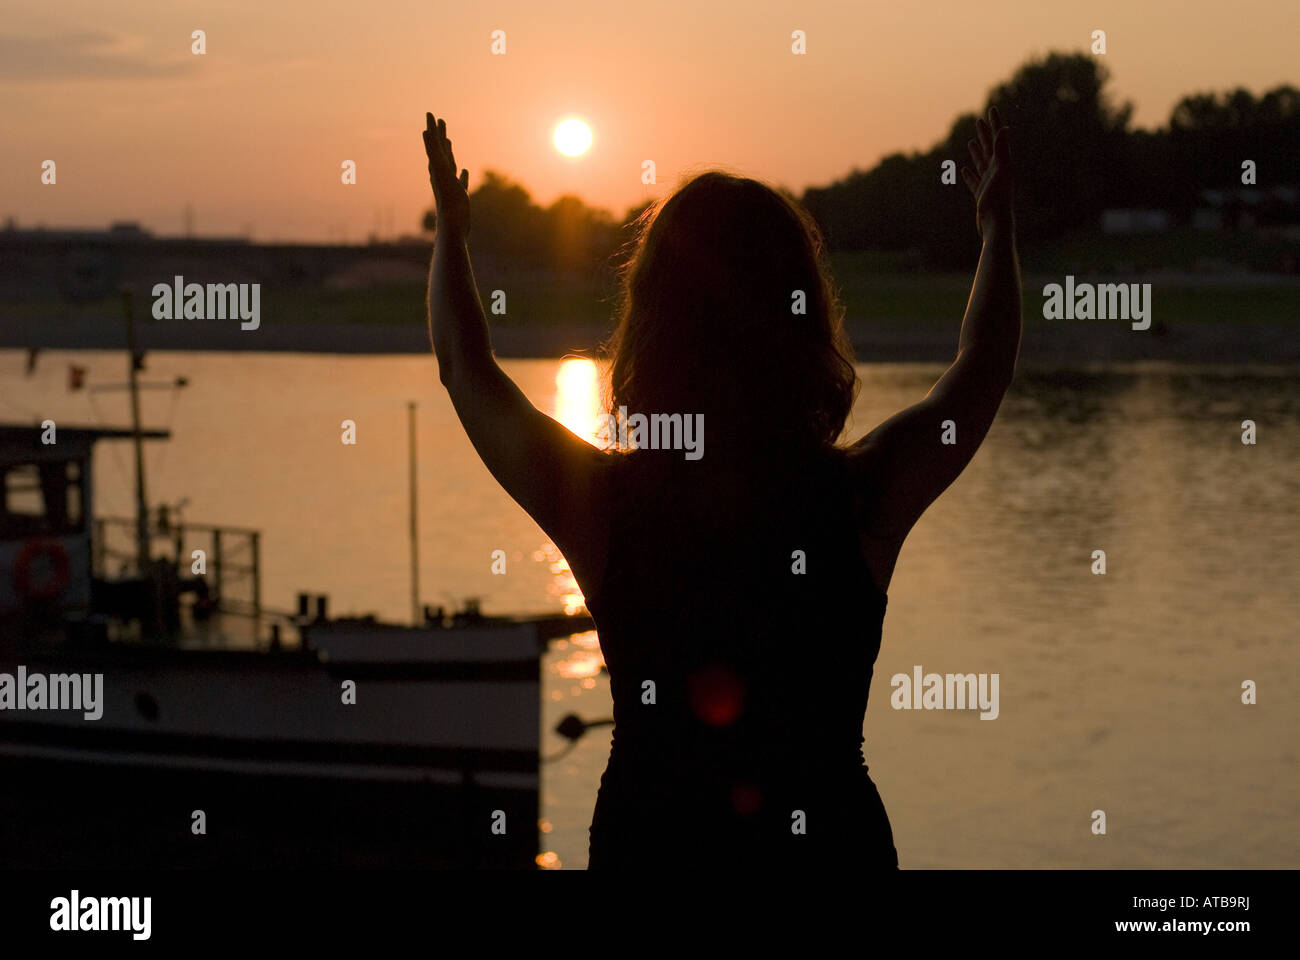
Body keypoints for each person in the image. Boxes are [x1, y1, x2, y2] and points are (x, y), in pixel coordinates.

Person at [423, 107, 1021, 869]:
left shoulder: (604, 507)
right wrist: (997, 227)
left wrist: (452, 232)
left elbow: (465, 369)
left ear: (651, 325)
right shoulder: (864, 495)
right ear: (800, 319)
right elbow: (985, 364)